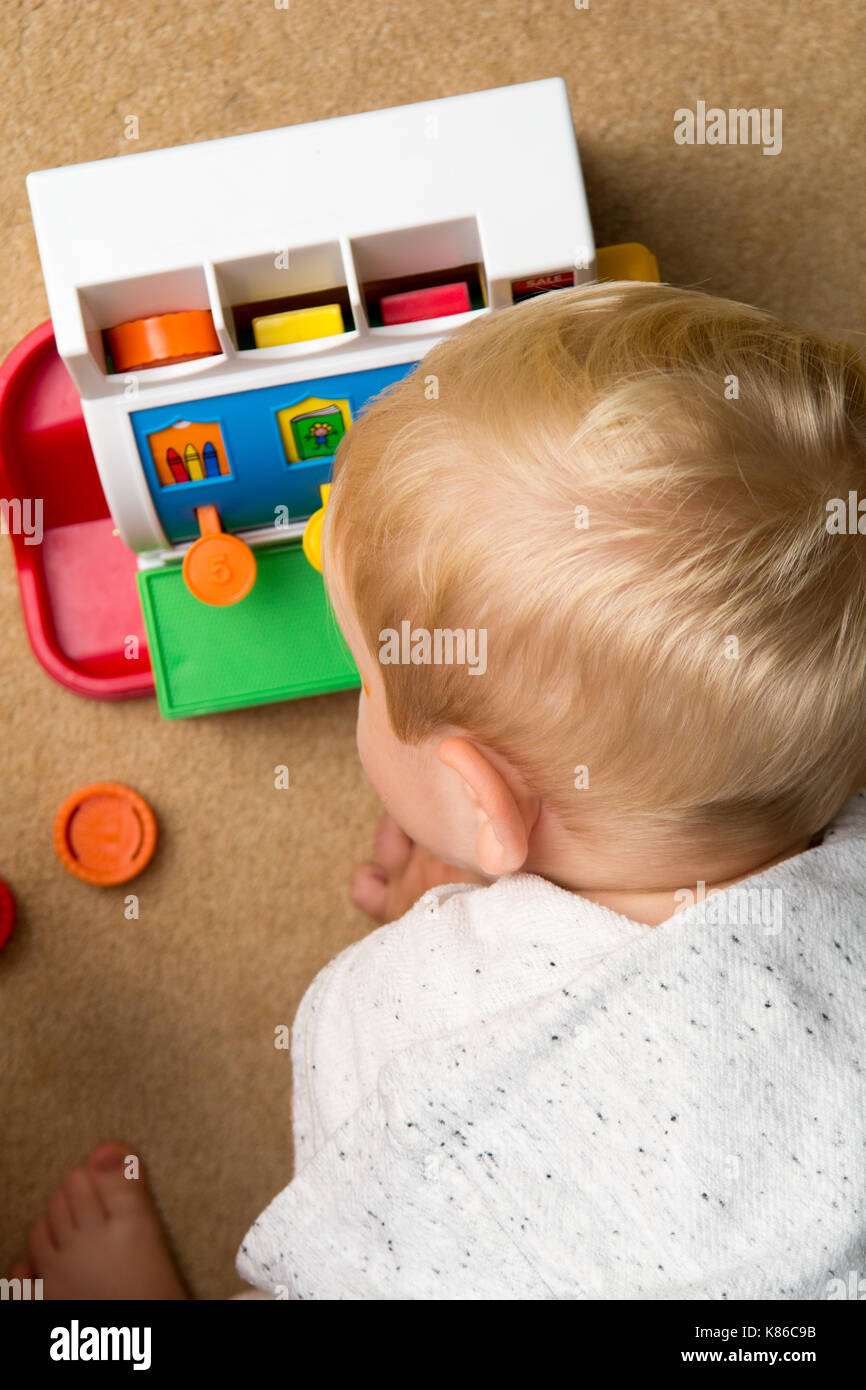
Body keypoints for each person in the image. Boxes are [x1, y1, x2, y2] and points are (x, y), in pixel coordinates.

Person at [10, 281, 866, 1299]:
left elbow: (373, 1253)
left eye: (367, 681)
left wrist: (453, 945)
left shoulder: (387, 1019)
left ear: (479, 803)